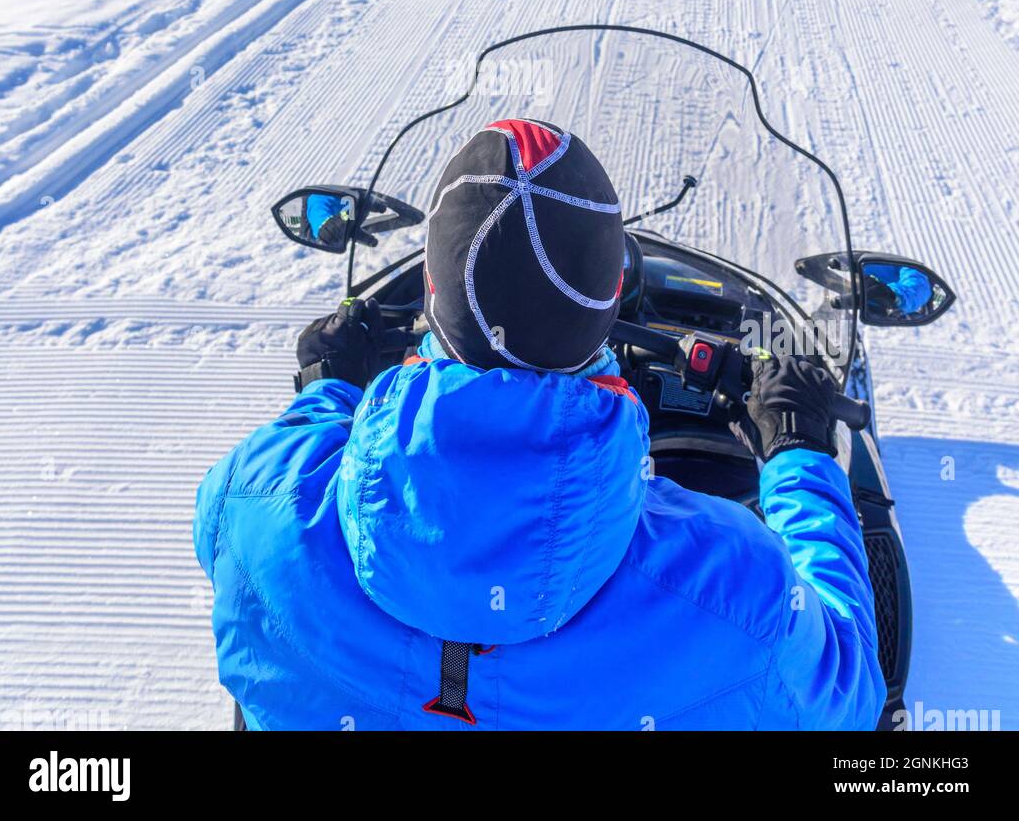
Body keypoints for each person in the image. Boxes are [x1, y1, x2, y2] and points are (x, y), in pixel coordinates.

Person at [194, 118, 885, 730]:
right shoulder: (739, 593)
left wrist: (327, 390)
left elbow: (288, 469)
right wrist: (799, 452)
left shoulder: (251, 502)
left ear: (433, 289)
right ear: (612, 296)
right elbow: (849, 691)